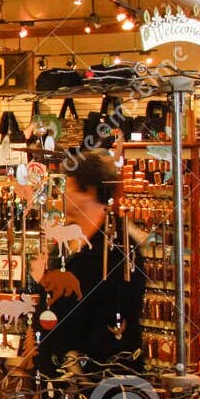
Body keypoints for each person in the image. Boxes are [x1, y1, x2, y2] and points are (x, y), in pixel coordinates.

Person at [32, 150, 146, 377]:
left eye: (70, 188)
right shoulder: (65, 244)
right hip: (57, 376)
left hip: (101, 381)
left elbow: (114, 315)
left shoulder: (119, 250)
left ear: (89, 192)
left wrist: (76, 360)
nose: (62, 196)